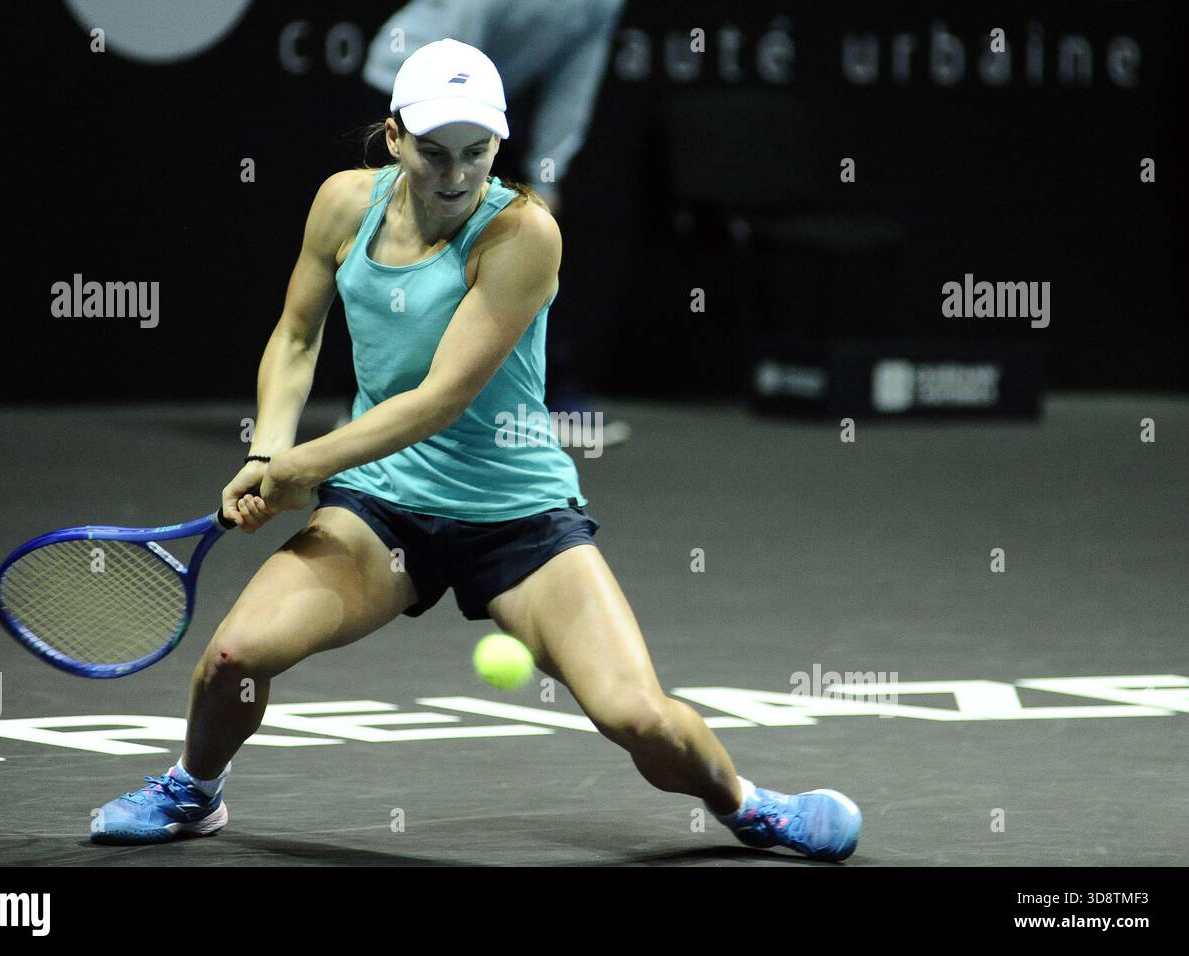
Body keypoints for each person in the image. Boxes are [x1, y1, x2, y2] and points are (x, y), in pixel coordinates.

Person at [89, 39, 862, 862]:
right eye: (433, 153)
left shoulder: (524, 235)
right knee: (234, 659)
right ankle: (192, 793)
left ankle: (746, 804)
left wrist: (302, 467)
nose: (456, 175)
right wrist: (268, 447)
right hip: (383, 507)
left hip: (517, 517)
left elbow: (439, 398)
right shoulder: (343, 205)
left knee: (636, 715)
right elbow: (295, 336)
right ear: (393, 137)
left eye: (477, 152)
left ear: (500, 142)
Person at [360, 0, 632, 447]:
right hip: (410, 80)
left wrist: (551, 171)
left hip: (484, 102)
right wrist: (456, 126)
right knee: (402, 243)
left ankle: (541, 401)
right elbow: (456, 40)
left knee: (527, 240)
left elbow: (575, 76)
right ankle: (377, 407)